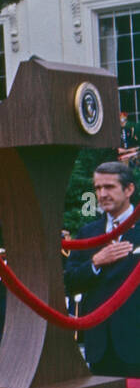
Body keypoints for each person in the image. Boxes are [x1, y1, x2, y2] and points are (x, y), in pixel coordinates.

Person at [65, 161, 140, 377]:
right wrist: (95, 263)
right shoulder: (88, 232)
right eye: (97, 188)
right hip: (100, 349)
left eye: (109, 187)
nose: (102, 194)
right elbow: (69, 281)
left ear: (129, 189)